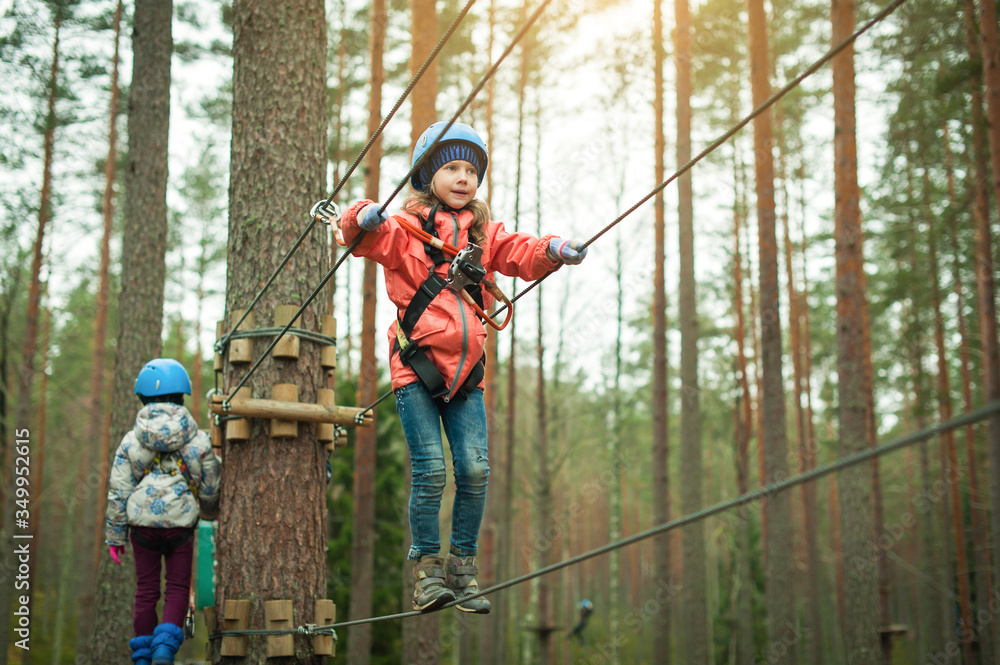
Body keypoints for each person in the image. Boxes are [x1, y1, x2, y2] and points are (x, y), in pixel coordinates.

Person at [339, 121, 589, 614]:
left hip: (466, 376)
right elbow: (364, 235)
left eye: (471, 170)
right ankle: (427, 570)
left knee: (474, 471)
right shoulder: (405, 231)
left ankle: (463, 569)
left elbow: (521, 251)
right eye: (451, 167)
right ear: (428, 173)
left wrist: (554, 250)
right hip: (418, 370)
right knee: (431, 470)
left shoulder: (484, 235)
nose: (463, 178)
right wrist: (361, 216)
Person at [104, 358, 221, 665]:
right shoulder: (198, 441)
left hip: (141, 527)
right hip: (180, 526)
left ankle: (142, 657)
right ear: (181, 397)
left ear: (142, 398)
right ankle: (163, 651)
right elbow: (210, 488)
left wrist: (116, 536)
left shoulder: (130, 441)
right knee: (178, 587)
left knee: (145, 590)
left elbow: (119, 491)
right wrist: (209, 514)